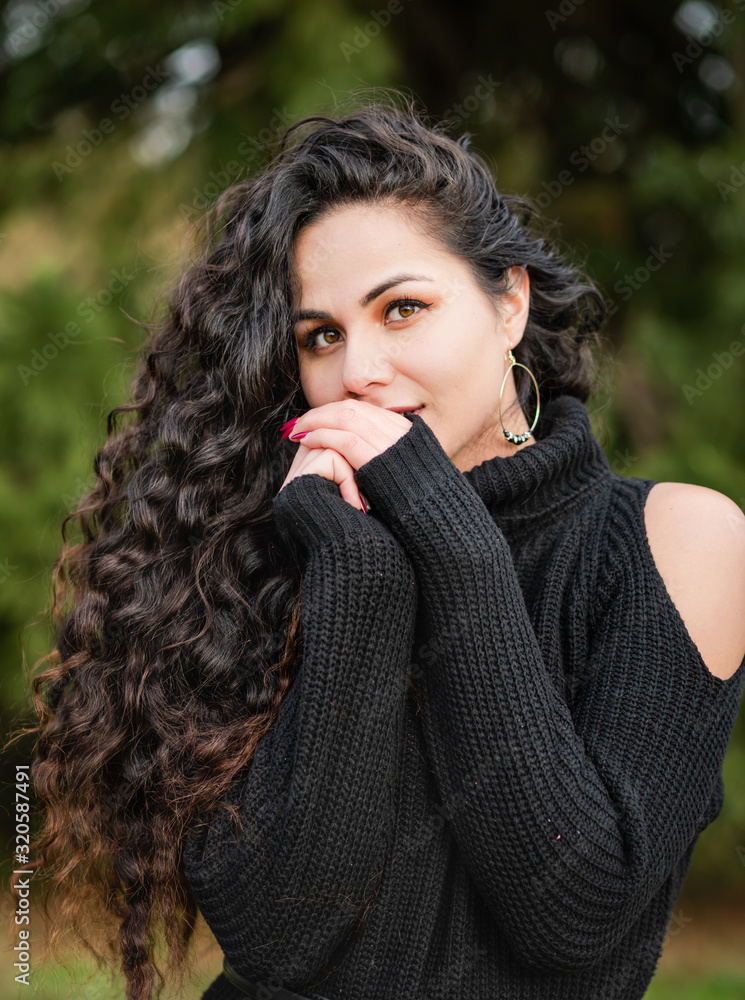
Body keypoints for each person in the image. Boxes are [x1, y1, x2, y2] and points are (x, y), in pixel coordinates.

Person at [11, 91, 745, 1000]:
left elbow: (575, 912)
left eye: (401, 309)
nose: (357, 372)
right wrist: (358, 575)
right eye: (321, 335)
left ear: (507, 301)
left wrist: (449, 540)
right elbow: (281, 936)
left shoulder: (675, 538)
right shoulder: (288, 541)